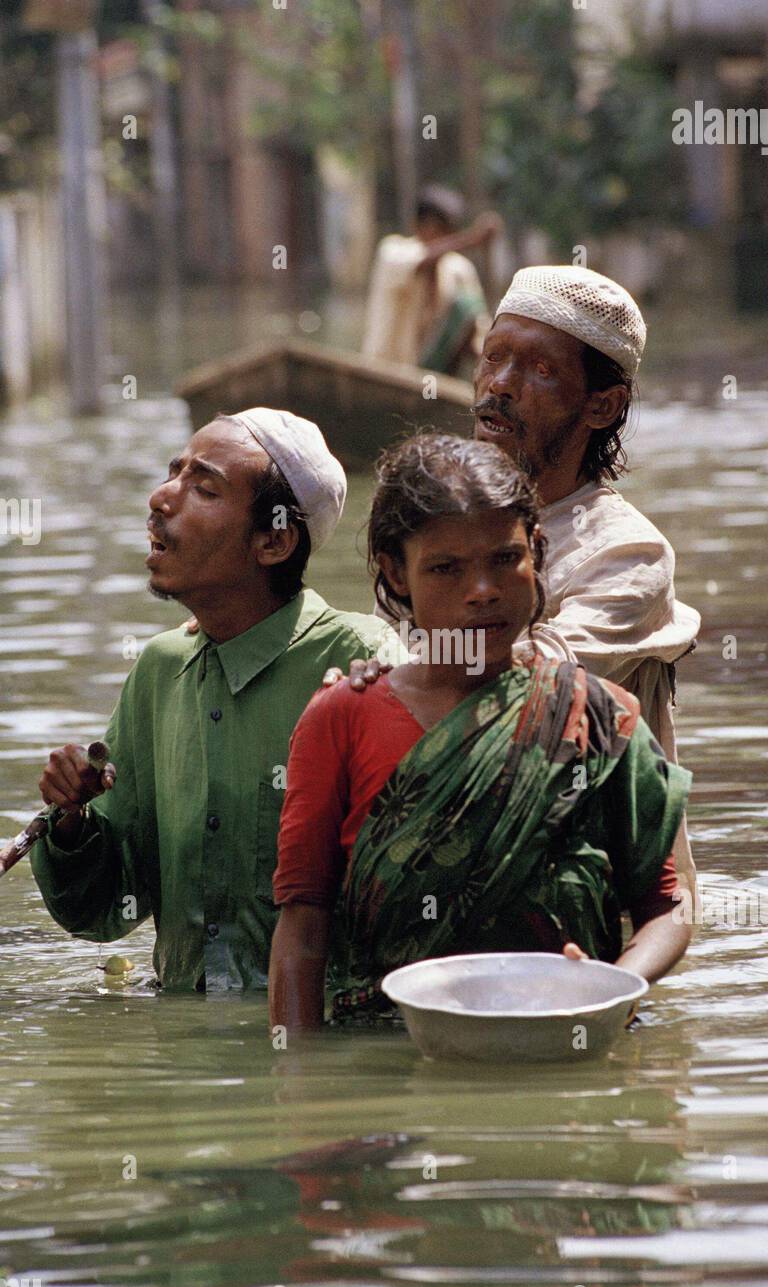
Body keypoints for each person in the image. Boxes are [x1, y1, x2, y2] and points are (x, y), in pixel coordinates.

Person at [269, 433, 692, 1032]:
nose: (483, 591)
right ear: (397, 571)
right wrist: (301, 1088)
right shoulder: (343, 716)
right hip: (391, 1063)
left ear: (537, 552)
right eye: (445, 569)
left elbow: (669, 908)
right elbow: (303, 924)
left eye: (504, 559)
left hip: (568, 1053)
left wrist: (613, 984)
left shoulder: (599, 716)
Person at [339, 264, 701, 912]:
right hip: (457, 897)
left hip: (605, 921)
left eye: (537, 370)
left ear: (602, 404)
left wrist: (367, 671)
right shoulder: (432, 529)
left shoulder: (626, 552)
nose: (498, 386)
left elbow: (523, 680)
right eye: (493, 357)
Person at [30, 410, 391, 993]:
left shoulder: (360, 660)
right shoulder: (159, 670)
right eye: (173, 474)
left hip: (324, 1039)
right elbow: (104, 912)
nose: (160, 498)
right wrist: (71, 822)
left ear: (273, 540)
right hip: (185, 1028)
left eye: (203, 488)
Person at [361, 184, 500, 375]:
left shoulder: (459, 269)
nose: (442, 237)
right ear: (417, 226)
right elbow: (422, 260)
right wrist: (473, 238)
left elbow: (476, 330)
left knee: (466, 305)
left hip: (431, 377)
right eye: (437, 228)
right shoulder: (393, 251)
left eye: (448, 230)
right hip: (388, 370)